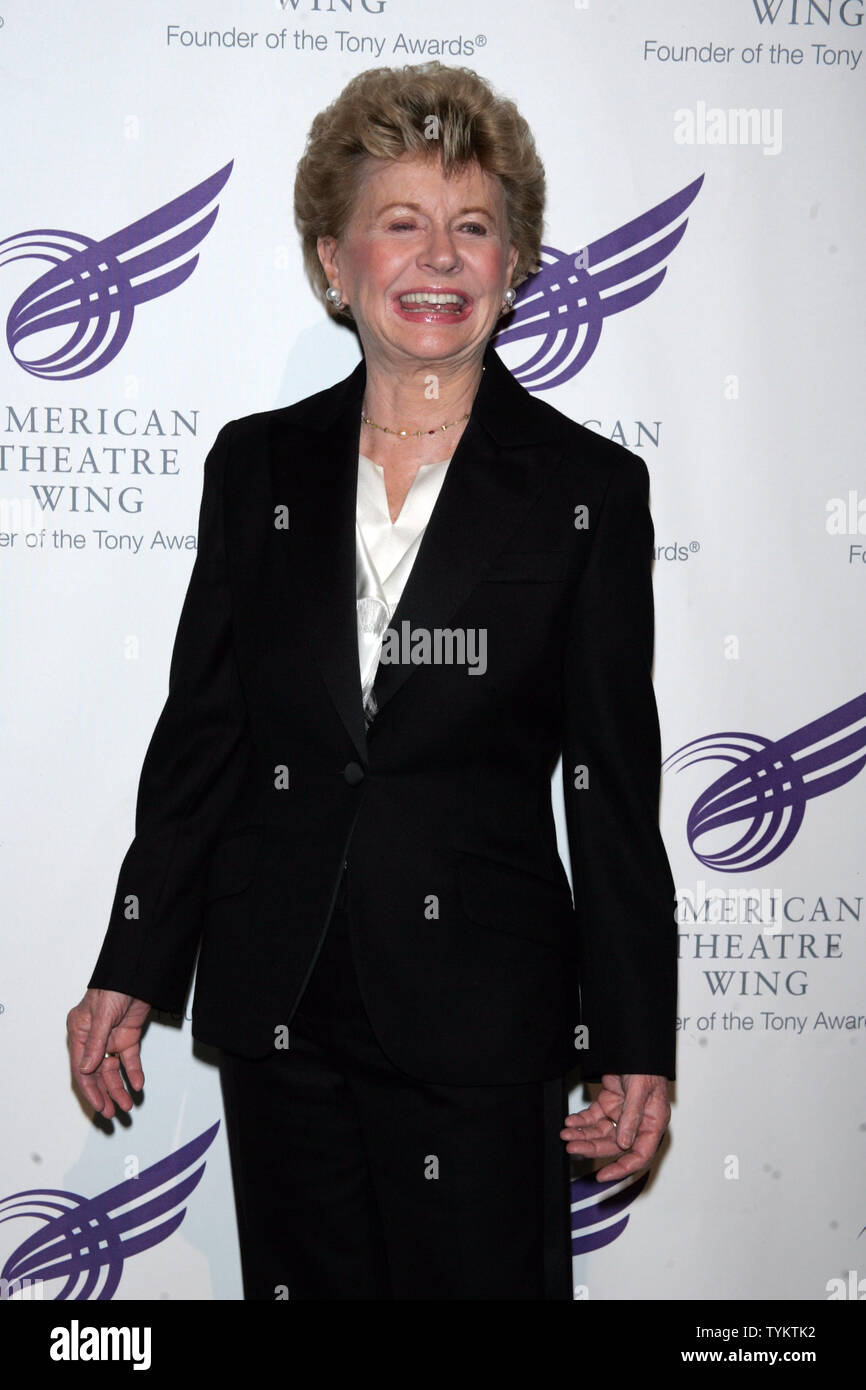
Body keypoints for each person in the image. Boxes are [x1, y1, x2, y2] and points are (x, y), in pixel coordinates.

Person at [67, 61, 677, 1301]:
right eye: (399, 223)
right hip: (282, 1005)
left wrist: (632, 1037)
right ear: (331, 262)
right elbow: (203, 742)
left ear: (513, 266)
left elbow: (610, 784)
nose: (437, 258)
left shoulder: (585, 494)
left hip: (484, 1024)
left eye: (471, 227)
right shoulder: (255, 468)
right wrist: (132, 960)